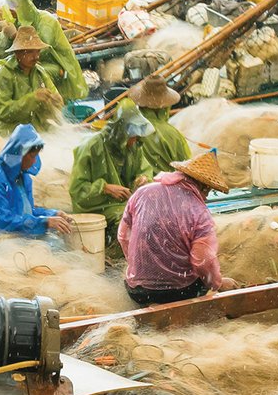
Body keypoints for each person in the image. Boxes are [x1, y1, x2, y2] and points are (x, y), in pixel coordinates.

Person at [119, 150, 237, 304]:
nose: (206, 197)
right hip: (178, 293)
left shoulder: (142, 192)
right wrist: (218, 283)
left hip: (138, 290)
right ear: (202, 186)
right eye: (208, 191)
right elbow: (203, 260)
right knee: (205, 282)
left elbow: (123, 236)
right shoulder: (199, 212)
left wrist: (139, 266)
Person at [0, 0, 85, 104]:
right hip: (28, 59)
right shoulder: (17, 21)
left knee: (24, 74)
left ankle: (29, 107)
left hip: (54, 65)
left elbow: (37, 52)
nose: (11, 12)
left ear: (23, 6)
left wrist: (15, 37)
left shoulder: (46, 22)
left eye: (13, 9)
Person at [0, 123, 74, 248]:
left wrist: (53, 214)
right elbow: (1, 221)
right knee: (27, 252)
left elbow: (27, 211)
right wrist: (44, 222)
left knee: (56, 244)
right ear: (20, 153)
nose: (35, 161)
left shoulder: (22, 177)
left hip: (16, 234)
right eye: (32, 156)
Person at [70, 99, 154, 228]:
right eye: (132, 136)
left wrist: (143, 178)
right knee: (129, 219)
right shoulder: (91, 147)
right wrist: (105, 188)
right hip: (97, 207)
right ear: (121, 132)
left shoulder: (134, 146)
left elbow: (143, 169)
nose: (134, 140)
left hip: (124, 203)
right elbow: (77, 190)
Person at [0, 26, 63, 134]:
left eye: (38, 52)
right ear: (18, 53)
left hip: (37, 128)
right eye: (30, 52)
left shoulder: (39, 72)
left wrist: (56, 100)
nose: (36, 57)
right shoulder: (4, 75)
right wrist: (32, 99)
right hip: (12, 134)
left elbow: (53, 93)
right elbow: (3, 113)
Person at [127, 75, 189, 173]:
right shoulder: (172, 134)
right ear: (165, 107)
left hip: (136, 186)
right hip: (165, 186)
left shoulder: (129, 127)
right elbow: (186, 167)